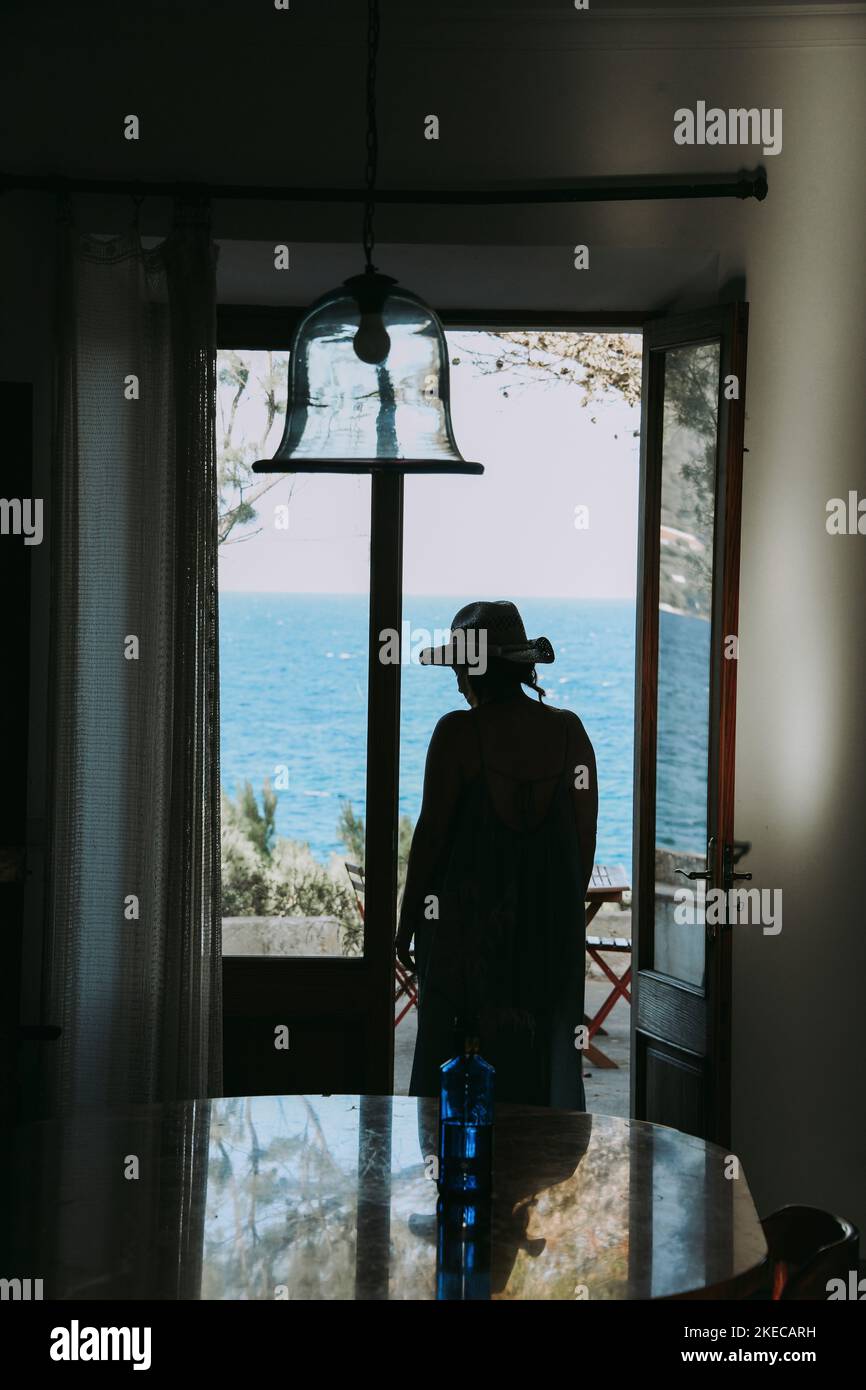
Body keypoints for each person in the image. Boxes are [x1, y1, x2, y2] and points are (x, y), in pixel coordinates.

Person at [396, 600, 598, 1109]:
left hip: (465, 950)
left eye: (460, 669)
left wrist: (405, 925)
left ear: (473, 670)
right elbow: (583, 842)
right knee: (538, 1090)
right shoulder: (571, 733)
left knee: (456, 1095)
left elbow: (431, 840)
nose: (457, 681)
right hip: (547, 946)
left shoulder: (457, 735)